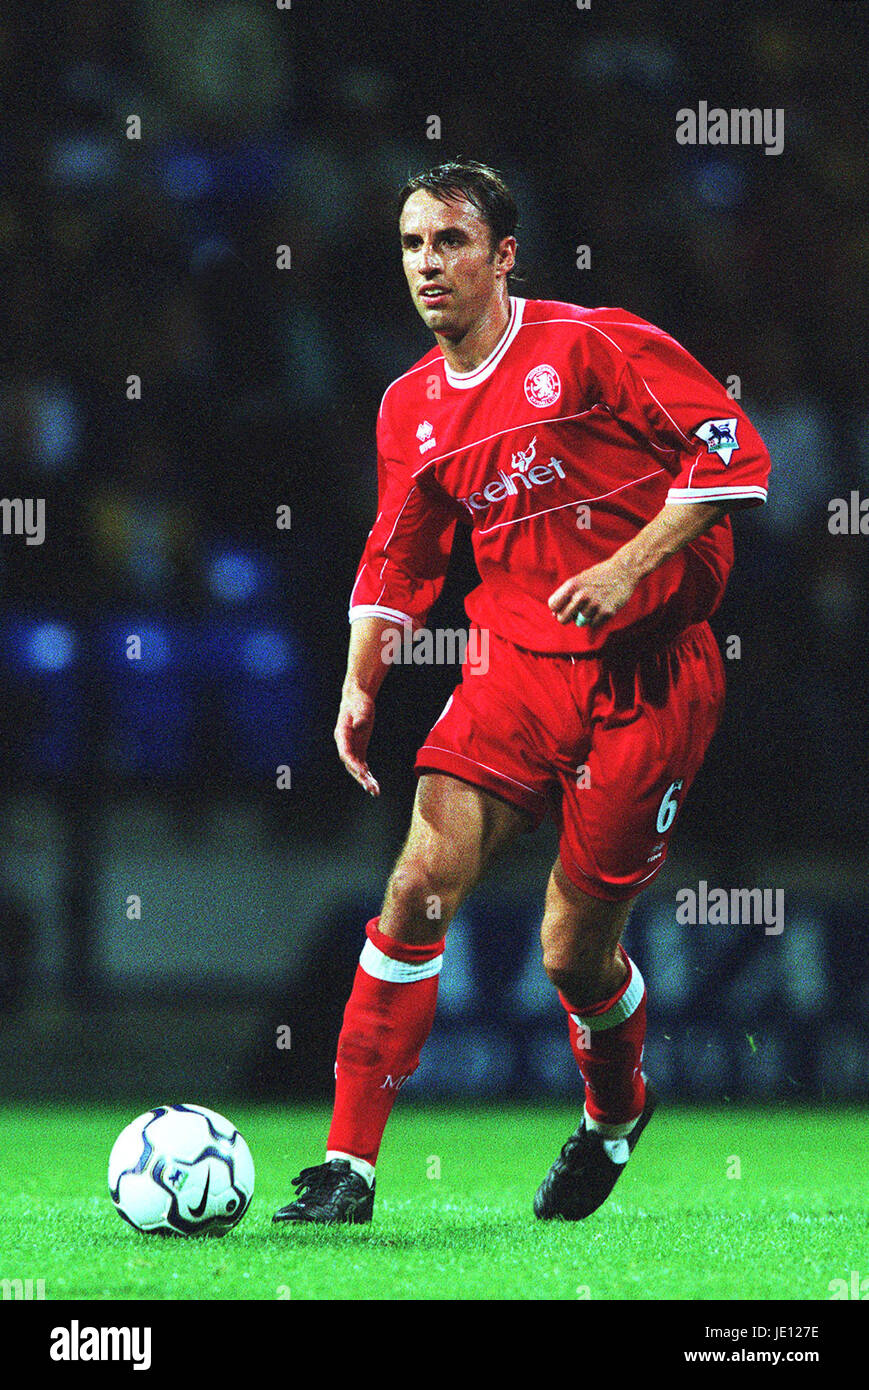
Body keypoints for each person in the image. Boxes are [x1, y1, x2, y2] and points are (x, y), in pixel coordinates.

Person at [273, 160, 770, 1226]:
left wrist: (629, 564)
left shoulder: (589, 344)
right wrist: (361, 676)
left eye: (449, 242)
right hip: (509, 667)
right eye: (411, 244)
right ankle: (346, 1168)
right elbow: (399, 556)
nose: (426, 265)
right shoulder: (408, 407)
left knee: (569, 951)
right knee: (415, 884)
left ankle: (612, 1112)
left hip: (648, 678)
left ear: (502, 256)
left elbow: (733, 452)